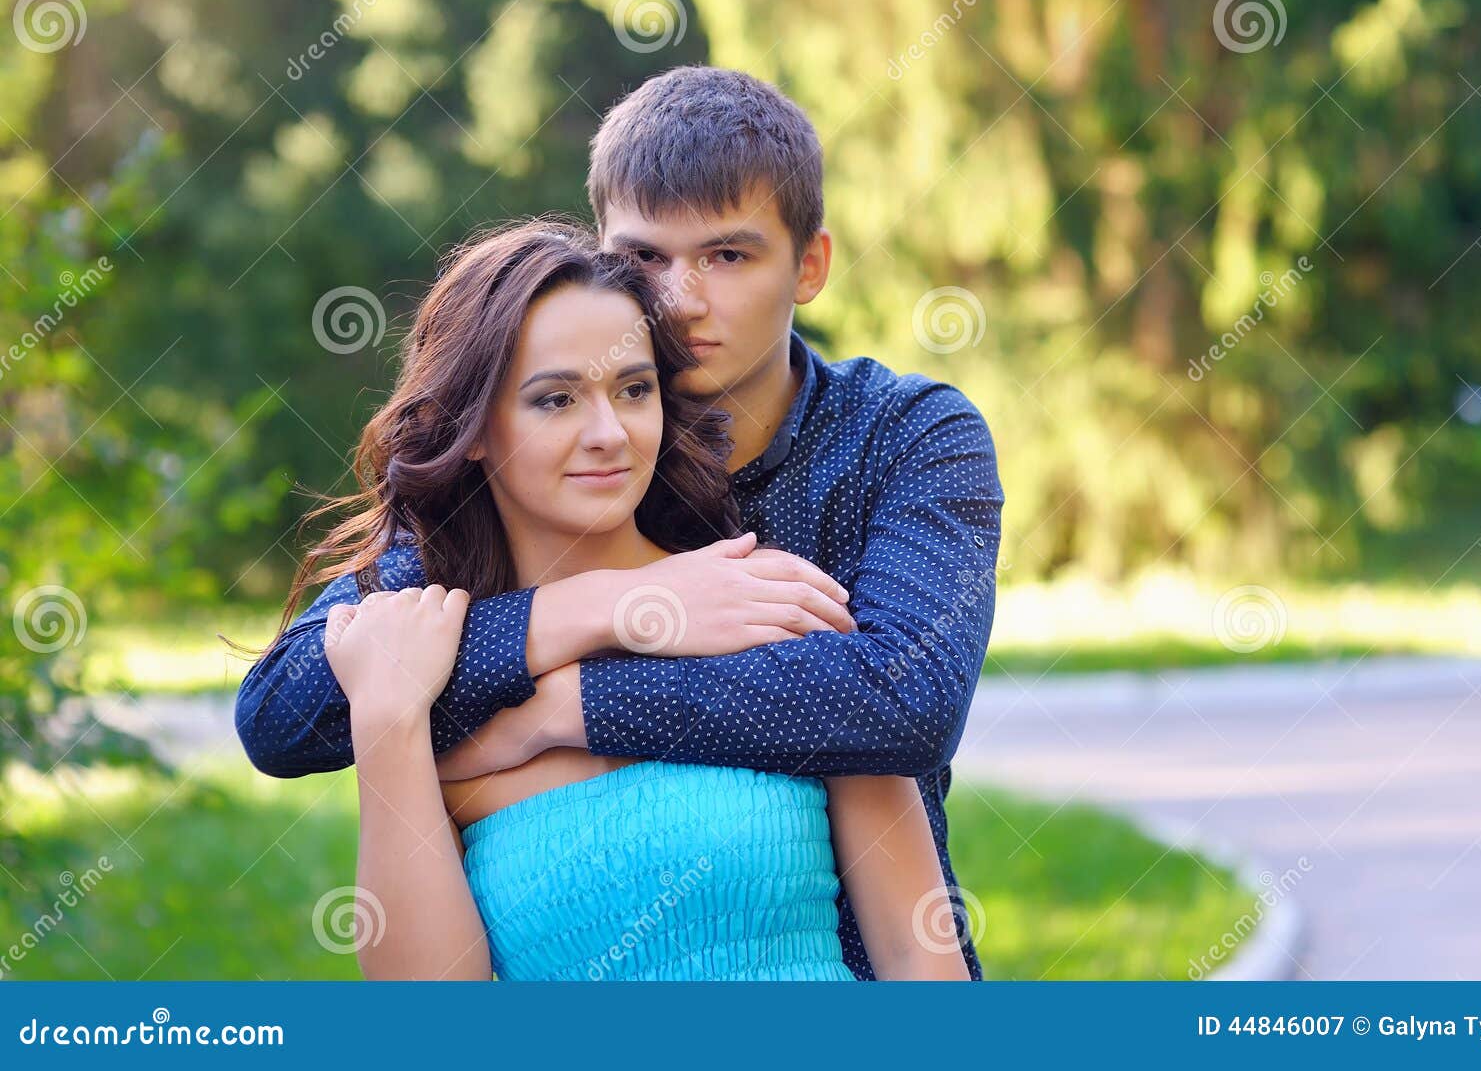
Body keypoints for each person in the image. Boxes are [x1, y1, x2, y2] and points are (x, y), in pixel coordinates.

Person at [235, 65, 1004, 979]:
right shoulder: (510, 506)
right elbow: (284, 712)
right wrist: (603, 607)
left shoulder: (902, 437)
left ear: (809, 266)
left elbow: (903, 700)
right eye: (645, 259)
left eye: (728, 255)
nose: (680, 300)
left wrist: (564, 710)